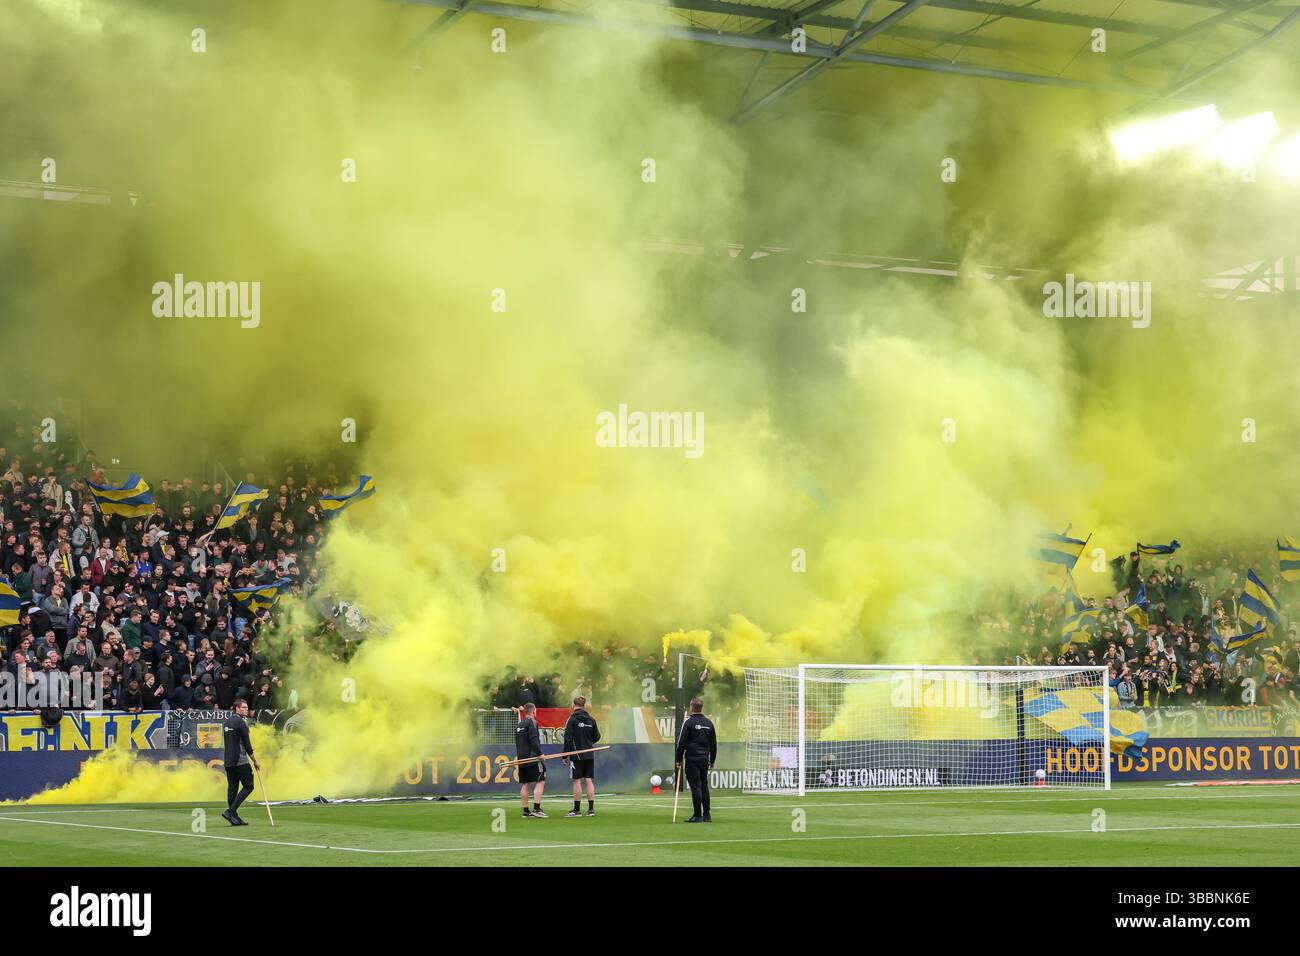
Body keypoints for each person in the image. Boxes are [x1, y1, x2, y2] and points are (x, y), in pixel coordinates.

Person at [674, 697, 717, 823]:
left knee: (696, 787)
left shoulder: (688, 723)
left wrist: (678, 760)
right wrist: (712, 760)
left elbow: (681, 743)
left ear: (691, 707)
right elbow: (714, 744)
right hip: (704, 759)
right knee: (704, 785)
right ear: (701, 707)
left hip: (692, 759)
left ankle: (697, 815)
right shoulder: (709, 723)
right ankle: (707, 815)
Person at [221, 698, 259, 826]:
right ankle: (230, 812)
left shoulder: (226, 722)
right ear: (237, 708)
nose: (246, 709)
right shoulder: (241, 723)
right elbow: (247, 746)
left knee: (232, 788)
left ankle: (234, 817)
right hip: (240, 760)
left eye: (247, 707)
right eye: (243, 707)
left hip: (228, 760)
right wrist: (255, 761)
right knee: (249, 786)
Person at [561, 695, 600, 817]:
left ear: (573, 706)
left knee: (577, 781)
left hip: (576, 754)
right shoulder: (591, 719)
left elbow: (567, 739)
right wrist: (588, 743)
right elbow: (597, 737)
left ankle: (577, 810)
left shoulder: (571, 720)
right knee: (588, 780)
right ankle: (591, 810)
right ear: (584, 706)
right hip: (589, 753)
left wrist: (565, 756)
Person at [515, 702, 547, 818]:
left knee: (525, 783)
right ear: (534, 711)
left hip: (521, 758)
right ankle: (537, 809)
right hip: (532, 757)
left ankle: (525, 811)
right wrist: (540, 753)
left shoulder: (519, 724)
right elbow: (534, 740)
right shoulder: (532, 722)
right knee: (541, 780)